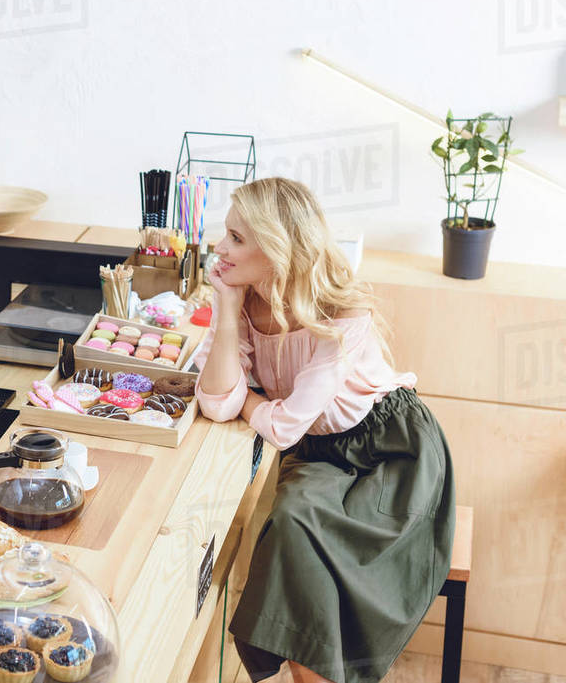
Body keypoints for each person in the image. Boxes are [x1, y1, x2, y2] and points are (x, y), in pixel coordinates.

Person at [192, 177, 455, 683]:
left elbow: (284, 425)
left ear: (277, 250)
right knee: (292, 525)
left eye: (237, 238)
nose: (220, 248)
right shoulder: (245, 303)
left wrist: (250, 400)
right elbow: (217, 402)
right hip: (319, 453)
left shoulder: (343, 312)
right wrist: (225, 309)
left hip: (389, 450)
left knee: (302, 531)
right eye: (226, 234)